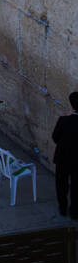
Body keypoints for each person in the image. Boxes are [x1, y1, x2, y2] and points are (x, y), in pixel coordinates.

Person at [53, 90, 78, 220]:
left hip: (63, 158)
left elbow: (55, 138)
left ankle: (63, 208)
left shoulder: (63, 121)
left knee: (61, 184)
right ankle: (75, 211)